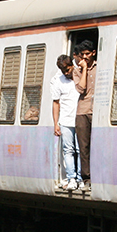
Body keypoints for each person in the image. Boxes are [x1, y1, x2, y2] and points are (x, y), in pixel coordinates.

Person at [50, 54, 81, 191]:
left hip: (80, 118)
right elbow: (56, 103)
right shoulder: (58, 81)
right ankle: (71, 178)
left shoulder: (80, 76)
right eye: (64, 72)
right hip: (66, 120)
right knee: (68, 150)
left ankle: (80, 178)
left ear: (72, 65)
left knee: (80, 150)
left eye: (68, 70)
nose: (67, 73)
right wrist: (56, 123)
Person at [73, 40, 97, 190]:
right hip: (83, 111)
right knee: (84, 146)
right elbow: (81, 88)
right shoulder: (78, 70)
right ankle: (86, 178)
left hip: (97, 110)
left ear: (93, 53)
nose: (85, 57)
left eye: (87, 54)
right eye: (82, 55)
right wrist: (85, 70)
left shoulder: (100, 67)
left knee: (96, 145)